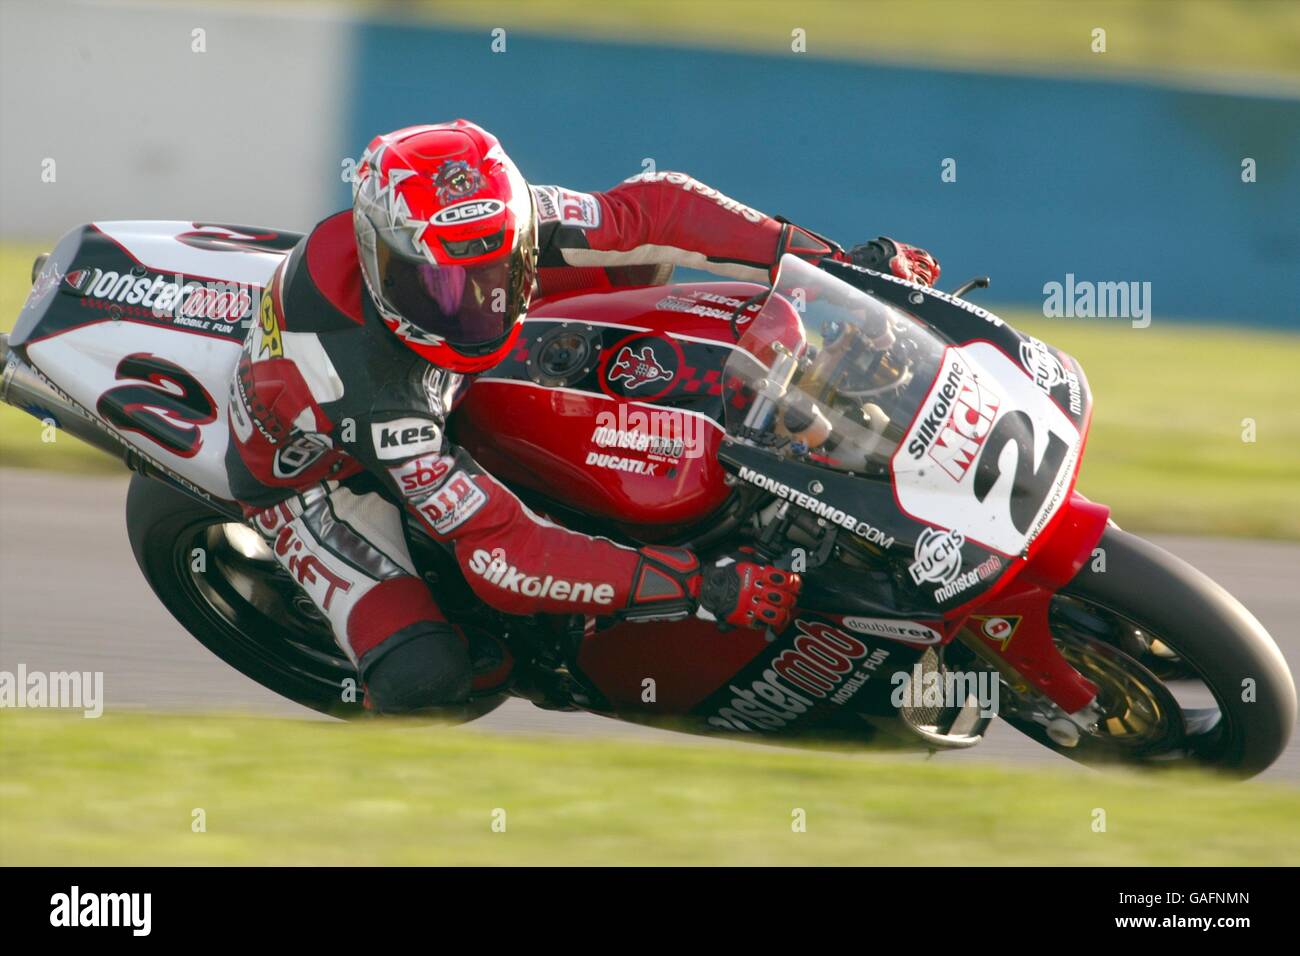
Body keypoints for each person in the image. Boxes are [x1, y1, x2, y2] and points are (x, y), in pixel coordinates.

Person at [224, 119, 941, 713]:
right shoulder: (378, 397)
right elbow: (505, 556)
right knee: (428, 682)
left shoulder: (494, 225)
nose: (479, 304)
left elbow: (657, 210)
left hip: (446, 380)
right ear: (384, 263)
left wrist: (838, 264)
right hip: (318, 475)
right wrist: (699, 585)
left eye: (498, 271)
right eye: (444, 287)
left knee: (634, 260)